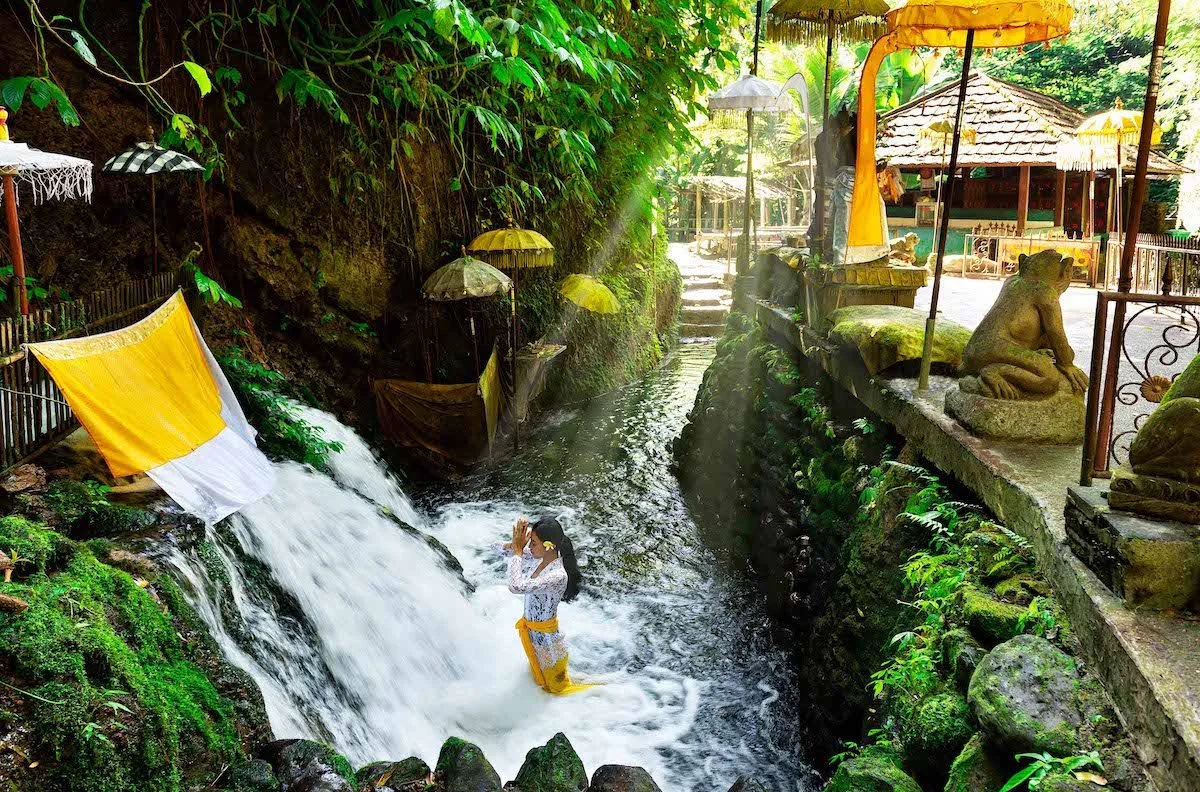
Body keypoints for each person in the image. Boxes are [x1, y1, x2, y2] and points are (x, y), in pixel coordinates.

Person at [500, 515, 591, 695]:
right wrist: (514, 544)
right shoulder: (538, 557)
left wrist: (518, 552)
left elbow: (516, 586)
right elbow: (499, 550)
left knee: (559, 694)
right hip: (537, 641)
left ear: (549, 546)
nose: (529, 547)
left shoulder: (558, 575)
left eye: (533, 543)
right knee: (544, 690)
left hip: (549, 648)